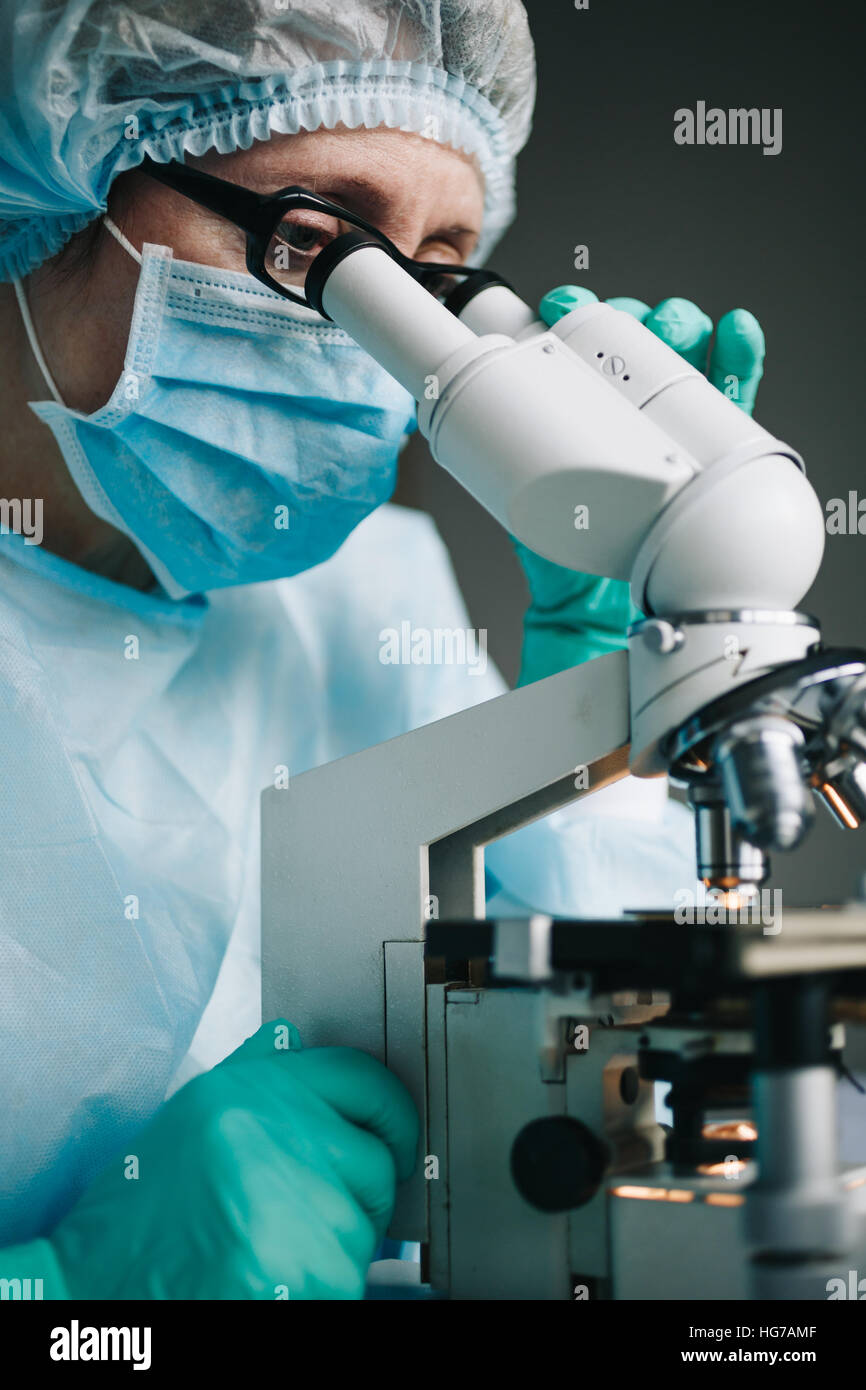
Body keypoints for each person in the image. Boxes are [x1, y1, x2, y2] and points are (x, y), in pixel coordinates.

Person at [0, 0, 765, 1298]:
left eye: (441, 272)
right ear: (52, 194)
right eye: (312, 242)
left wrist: (604, 693)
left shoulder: (369, 597)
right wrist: (71, 1281)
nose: (379, 344)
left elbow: (585, 1046)